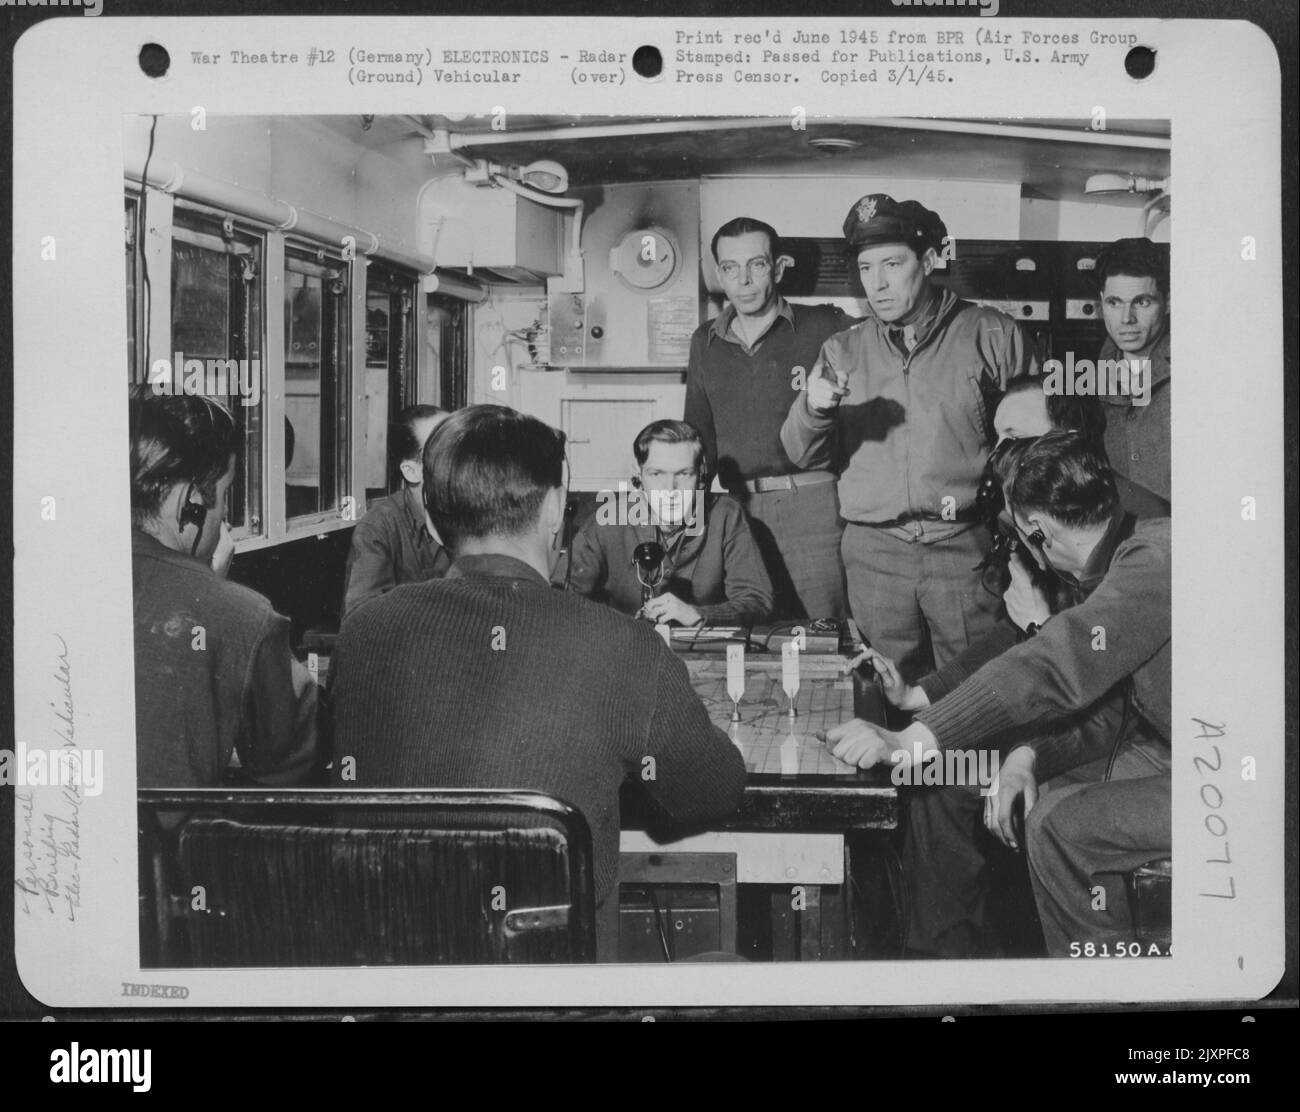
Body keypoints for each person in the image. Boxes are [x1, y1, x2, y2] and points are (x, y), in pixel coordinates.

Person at [329, 405, 748, 908]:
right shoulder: (625, 645)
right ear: (554, 509)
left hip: (388, 944)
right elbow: (711, 790)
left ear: (434, 524)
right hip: (545, 952)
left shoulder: (364, 633)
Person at [827, 432, 1170, 957]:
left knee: (1059, 826)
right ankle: (946, 964)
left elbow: (1057, 661)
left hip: (1204, 771)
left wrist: (911, 742)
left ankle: (1105, 986)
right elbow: (1103, 704)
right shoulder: (1105, 554)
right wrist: (1023, 756)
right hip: (1146, 745)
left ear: (1038, 530)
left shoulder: (1152, 556)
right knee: (966, 786)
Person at [782, 194, 1037, 681]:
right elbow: (800, 452)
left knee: (973, 687)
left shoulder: (992, 335)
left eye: (892, 265)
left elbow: (1038, 450)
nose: (876, 284)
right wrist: (815, 408)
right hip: (874, 553)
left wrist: (1015, 536)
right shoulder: (842, 349)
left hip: (964, 548)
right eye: (865, 268)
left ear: (929, 260)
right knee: (882, 692)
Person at [129, 386, 319, 787]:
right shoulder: (245, 615)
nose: (226, 517)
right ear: (191, 503)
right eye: (225, 495)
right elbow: (293, 758)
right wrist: (210, 590)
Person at [684, 217, 854, 620]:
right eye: (730, 268)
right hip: (739, 511)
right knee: (749, 631)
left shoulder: (826, 325)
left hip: (813, 508)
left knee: (823, 632)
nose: (743, 280)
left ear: (777, 269)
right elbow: (698, 438)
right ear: (719, 274)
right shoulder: (704, 341)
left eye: (756, 265)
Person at [568, 419, 773, 627]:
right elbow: (560, 597)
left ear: (701, 473)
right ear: (638, 473)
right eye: (656, 474)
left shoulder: (726, 515)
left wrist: (696, 614)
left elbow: (756, 601)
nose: (670, 489)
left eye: (683, 474)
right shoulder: (607, 520)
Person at [341, 403, 451, 617]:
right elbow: (360, 622)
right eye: (445, 451)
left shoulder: (477, 513)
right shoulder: (377, 529)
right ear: (412, 471)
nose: (463, 460)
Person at [1094, 236, 1170, 502]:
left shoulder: (1196, 370)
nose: (1127, 318)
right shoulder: (1089, 377)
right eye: (1114, 302)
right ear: (1101, 302)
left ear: (1168, 301)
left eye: (1142, 302)